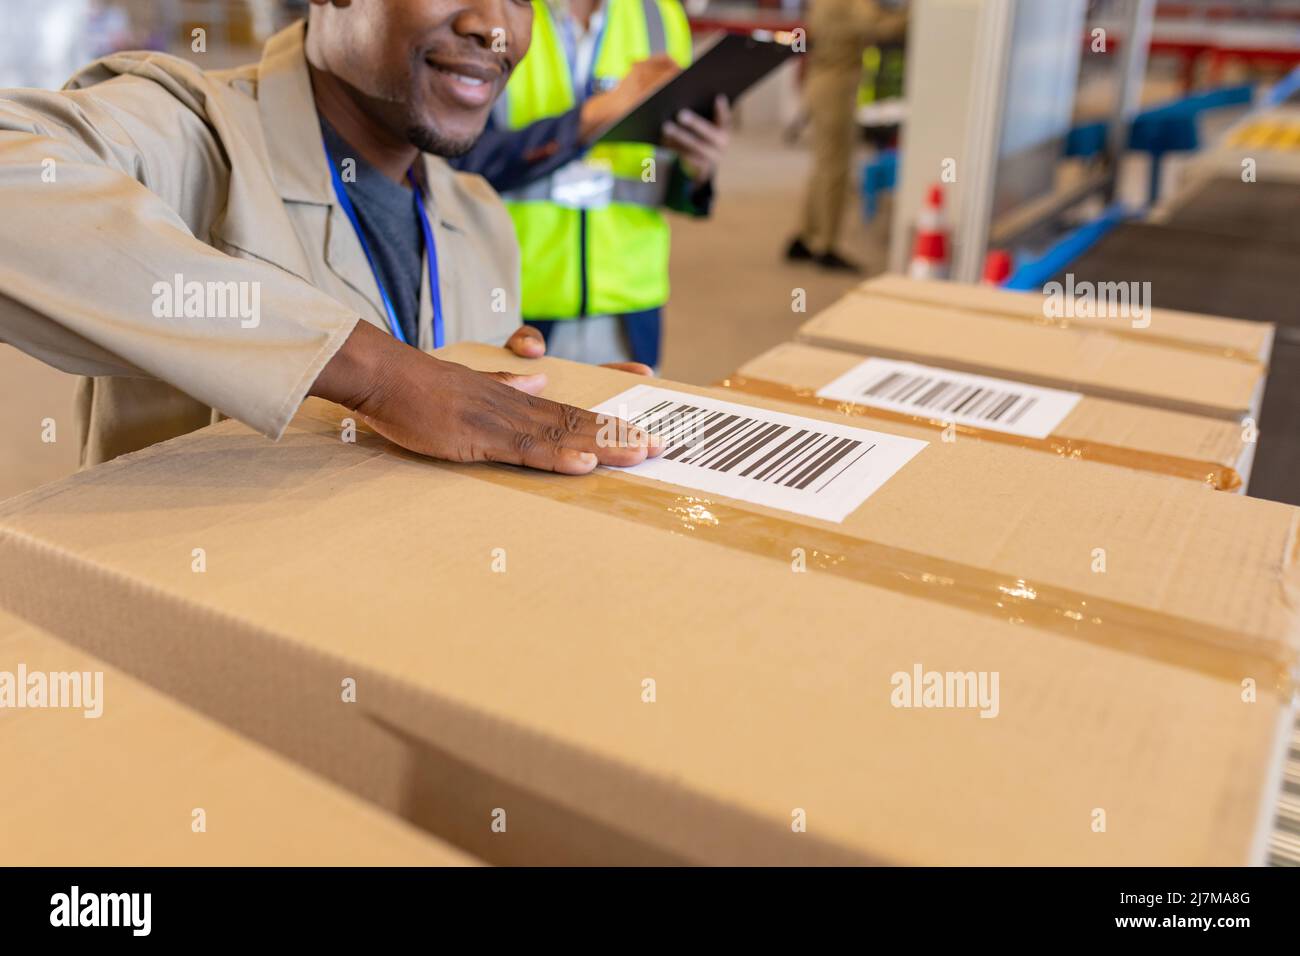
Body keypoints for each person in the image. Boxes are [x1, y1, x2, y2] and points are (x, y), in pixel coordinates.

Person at [0, 0, 656, 475]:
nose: (492, 24)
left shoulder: (479, 218)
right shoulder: (192, 136)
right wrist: (377, 373)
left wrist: (517, 403)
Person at [451, 0, 732, 370]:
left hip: (629, 306)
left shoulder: (660, 16)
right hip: (511, 302)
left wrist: (697, 167)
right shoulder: (488, 13)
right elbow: (459, 161)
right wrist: (594, 116)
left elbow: (662, 179)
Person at [786, 0, 907, 272]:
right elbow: (883, 27)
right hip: (838, 89)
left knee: (822, 166)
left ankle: (806, 235)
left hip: (818, 81)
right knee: (836, 170)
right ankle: (827, 246)